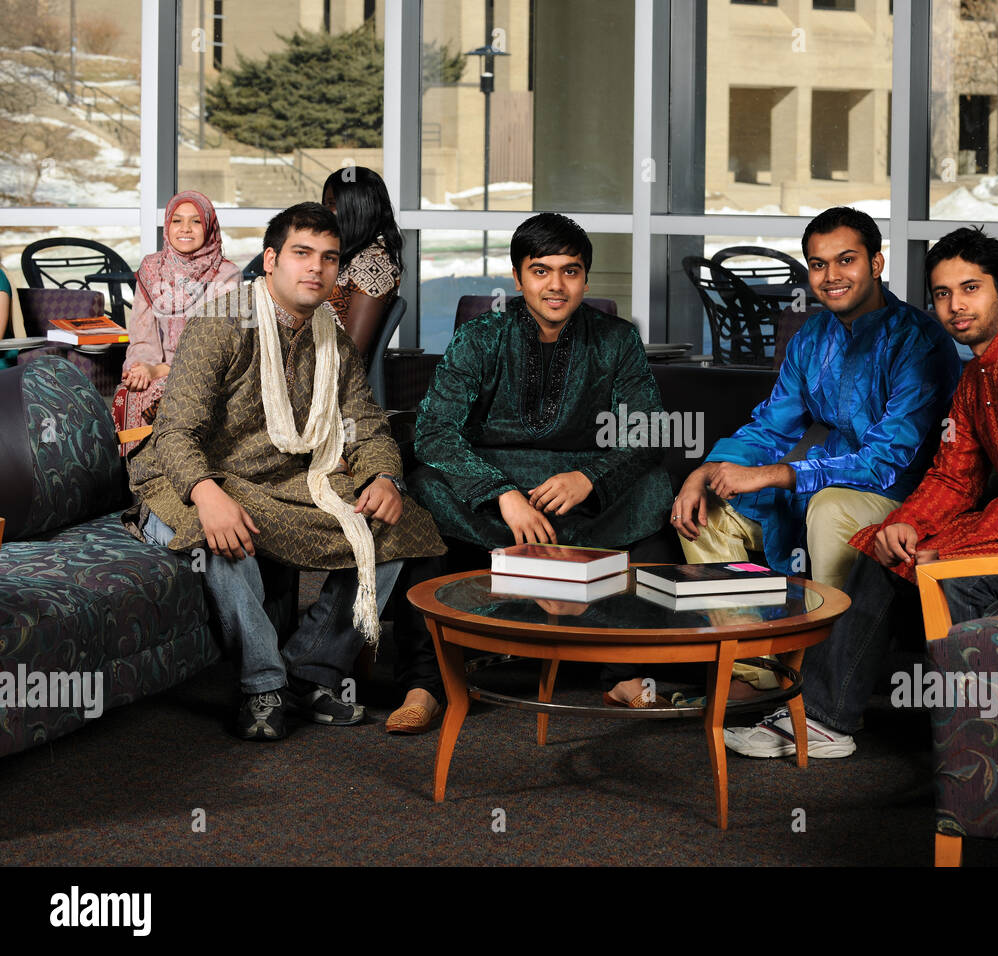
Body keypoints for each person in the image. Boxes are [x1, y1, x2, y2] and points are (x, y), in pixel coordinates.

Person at [724, 225, 998, 759]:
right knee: (883, 547)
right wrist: (906, 524)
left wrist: (953, 547)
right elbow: (953, 477)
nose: (956, 306)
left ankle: (980, 748)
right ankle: (826, 720)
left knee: (946, 569)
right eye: (943, 293)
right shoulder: (977, 378)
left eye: (971, 288)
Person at [126, 202, 444, 741]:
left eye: (328, 257)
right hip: (191, 475)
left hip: (284, 480)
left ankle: (309, 671)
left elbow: (365, 422)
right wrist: (205, 492)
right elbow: (176, 433)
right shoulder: (222, 322)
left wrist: (384, 478)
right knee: (223, 532)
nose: (315, 268)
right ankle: (263, 685)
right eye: (301, 253)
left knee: (398, 523)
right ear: (270, 260)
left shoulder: (332, 336)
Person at [394, 212, 673, 728]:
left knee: (654, 489)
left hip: (580, 495)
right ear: (518, 277)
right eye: (541, 271)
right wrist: (501, 493)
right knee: (424, 491)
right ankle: (425, 685)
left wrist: (589, 477)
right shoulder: (480, 338)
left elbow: (648, 431)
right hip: (493, 496)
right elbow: (434, 430)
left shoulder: (616, 339)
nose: (556, 285)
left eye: (570, 271)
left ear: (586, 279)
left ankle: (626, 673)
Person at [672, 206, 960, 702]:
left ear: (876, 263)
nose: (831, 276)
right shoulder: (812, 338)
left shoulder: (919, 341)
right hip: (821, 481)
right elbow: (771, 424)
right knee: (709, 509)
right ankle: (757, 675)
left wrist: (775, 475)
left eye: (845, 260)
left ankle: (824, 688)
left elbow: (886, 459)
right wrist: (709, 470)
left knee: (829, 507)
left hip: (903, 498)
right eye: (819, 264)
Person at [119, 191, 241, 440]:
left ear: (208, 227)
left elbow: (217, 350)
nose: (186, 228)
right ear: (167, 225)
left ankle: (178, 472)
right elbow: (143, 336)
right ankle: (135, 475)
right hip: (156, 369)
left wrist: (159, 371)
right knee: (132, 392)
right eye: (177, 220)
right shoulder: (152, 268)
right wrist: (140, 368)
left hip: (207, 373)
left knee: (170, 397)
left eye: (196, 221)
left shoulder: (227, 275)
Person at [322, 166, 402, 362]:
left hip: (328, 377)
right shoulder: (346, 253)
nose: (324, 213)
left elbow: (351, 353)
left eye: (332, 204)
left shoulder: (373, 261)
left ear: (357, 208)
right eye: (324, 204)